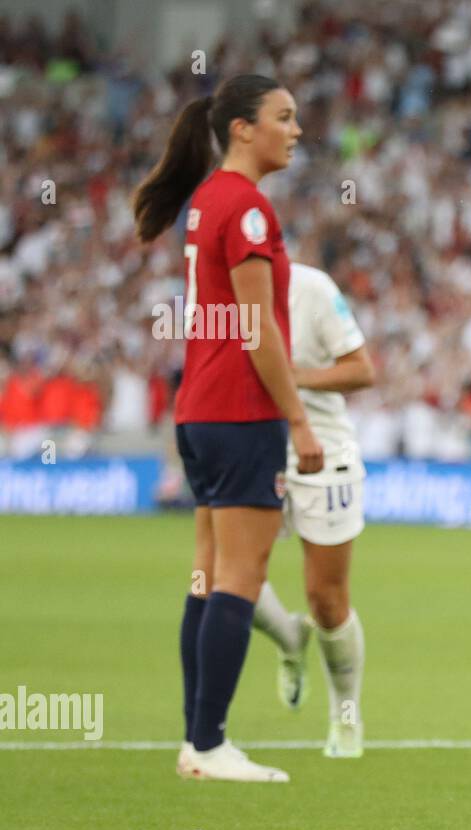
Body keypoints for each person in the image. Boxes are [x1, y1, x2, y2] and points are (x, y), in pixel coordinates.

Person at [133, 74, 322, 782]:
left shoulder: (207, 200)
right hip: (242, 412)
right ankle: (210, 744)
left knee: (208, 574)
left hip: (200, 410)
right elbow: (256, 330)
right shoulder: (245, 208)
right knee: (241, 574)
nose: (296, 130)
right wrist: (297, 418)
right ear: (243, 128)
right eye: (284, 117)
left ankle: (196, 740)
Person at [251, 261, 374, 758]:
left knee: (326, 598)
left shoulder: (312, 288)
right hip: (251, 449)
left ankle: (346, 715)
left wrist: (291, 377)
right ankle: (288, 638)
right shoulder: (211, 286)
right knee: (228, 579)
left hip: (322, 452)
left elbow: (362, 369)